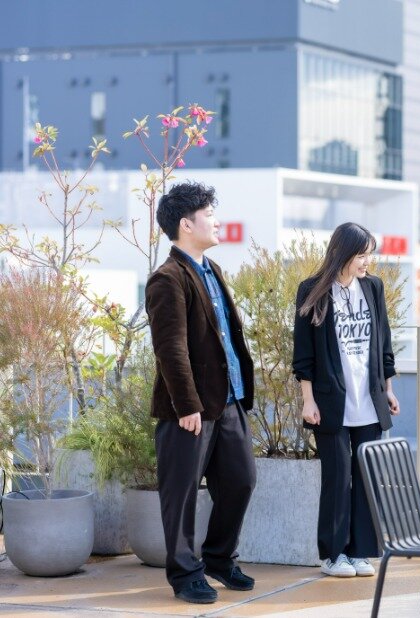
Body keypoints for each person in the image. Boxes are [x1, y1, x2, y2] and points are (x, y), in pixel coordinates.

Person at [146, 181, 257, 604]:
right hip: (189, 409)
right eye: (209, 214)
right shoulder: (167, 278)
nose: (217, 221)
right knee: (182, 494)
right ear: (186, 224)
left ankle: (218, 558)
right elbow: (170, 348)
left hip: (228, 400)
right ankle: (185, 573)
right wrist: (186, 405)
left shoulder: (211, 270)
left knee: (241, 481)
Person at [292, 222, 400, 579]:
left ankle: (360, 551)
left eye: (369, 255)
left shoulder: (372, 287)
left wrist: (387, 389)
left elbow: (383, 342)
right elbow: (303, 353)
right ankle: (333, 553)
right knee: (337, 479)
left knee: (366, 476)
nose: (367, 262)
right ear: (343, 253)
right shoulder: (312, 290)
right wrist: (308, 400)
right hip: (331, 403)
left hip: (369, 399)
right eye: (362, 255)